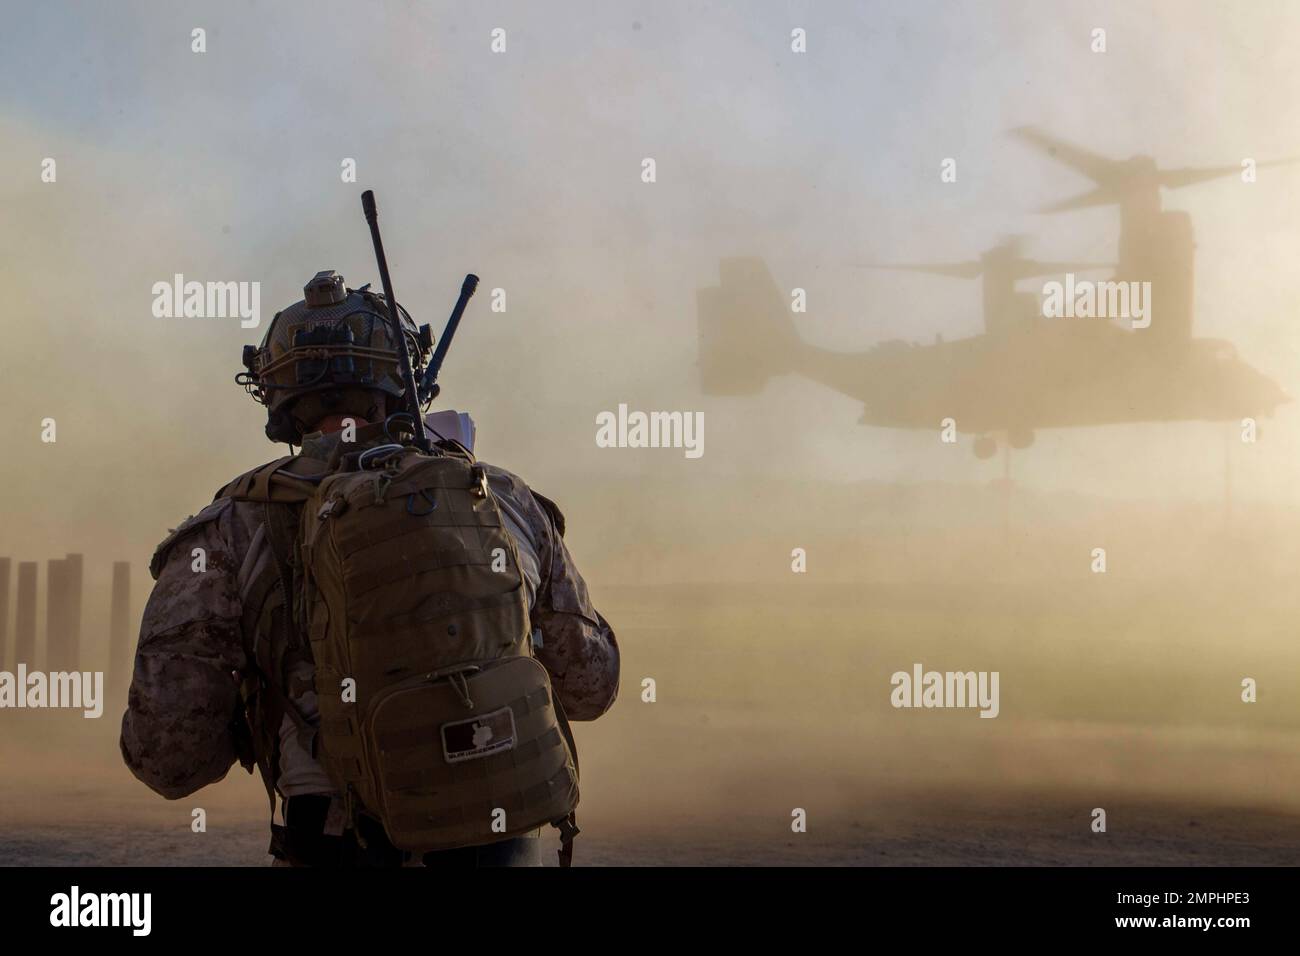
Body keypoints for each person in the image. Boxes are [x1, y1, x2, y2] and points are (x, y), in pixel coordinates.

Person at [120, 271, 619, 866]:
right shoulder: (501, 499)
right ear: (400, 379)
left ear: (279, 396)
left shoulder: (233, 526)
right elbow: (591, 687)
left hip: (333, 845)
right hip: (498, 843)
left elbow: (167, 757)